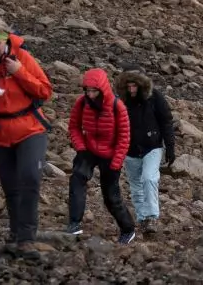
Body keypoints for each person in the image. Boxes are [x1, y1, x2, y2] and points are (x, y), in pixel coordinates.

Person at [0, 17, 52, 259]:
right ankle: (17, 235)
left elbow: (45, 90)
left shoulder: (22, 59)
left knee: (30, 178)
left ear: (6, 41)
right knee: (11, 187)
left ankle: (27, 238)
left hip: (30, 129)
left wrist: (19, 73)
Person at [67, 68, 136, 244]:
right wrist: (81, 148)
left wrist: (116, 162)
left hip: (110, 155)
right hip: (89, 150)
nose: (90, 94)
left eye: (94, 91)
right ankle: (74, 223)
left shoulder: (116, 106)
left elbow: (124, 137)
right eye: (87, 90)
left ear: (102, 89)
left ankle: (128, 230)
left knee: (111, 197)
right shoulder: (82, 103)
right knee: (77, 179)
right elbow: (74, 126)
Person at [116, 63, 176, 234]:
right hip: (130, 149)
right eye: (128, 85)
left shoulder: (155, 97)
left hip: (152, 146)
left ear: (141, 84)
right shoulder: (120, 101)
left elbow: (166, 121)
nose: (131, 89)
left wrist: (170, 146)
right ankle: (143, 219)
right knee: (135, 186)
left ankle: (152, 216)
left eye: (134, 85)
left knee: (149, 178)